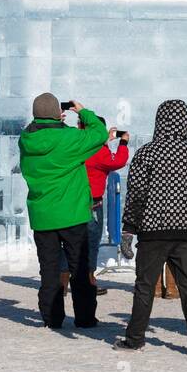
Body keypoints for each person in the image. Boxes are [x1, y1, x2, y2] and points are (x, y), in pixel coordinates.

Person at [114, 100, 187, 354]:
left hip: (153, 230)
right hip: (186, 232)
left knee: (144, 284)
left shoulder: (147, 153)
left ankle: (135, 339)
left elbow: (136, 195)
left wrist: (128, 230)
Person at [19, 93, 108, 329]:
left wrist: (54, 120)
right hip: (72, 215)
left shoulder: (26, 140)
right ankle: (85, 318)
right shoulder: (69, 138)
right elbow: (99, 134)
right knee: (79, 269)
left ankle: (52, 318)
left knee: (49, 271)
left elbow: (42, 131)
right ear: (59, 113)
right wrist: (82, 111)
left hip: (43, 216)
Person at [59, 123, 129, 295]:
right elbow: (117, 161)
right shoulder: (96, 151)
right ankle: (89, 281)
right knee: (91, 244)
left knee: (68, 242)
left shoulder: (75, 145)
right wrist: (123, 142)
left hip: (70, 202)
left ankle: (61, 284)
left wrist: (103, 141)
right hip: (92, 204)